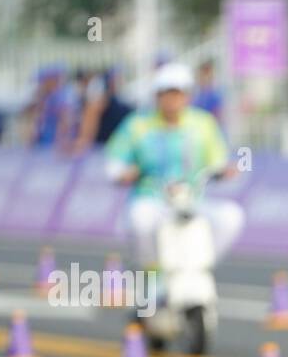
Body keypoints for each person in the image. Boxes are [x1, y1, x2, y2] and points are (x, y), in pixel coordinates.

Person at [104, 63, 244, 268]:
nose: (172, 100)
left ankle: (198, 267)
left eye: (177, 94)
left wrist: (225, 170)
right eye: (166, 94)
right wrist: (122, 173)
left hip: (191, 202)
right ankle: (152, 272)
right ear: (157, 96)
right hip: (152, 201)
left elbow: (218, 161)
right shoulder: (137, 125)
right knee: (139, 220)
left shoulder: (203, 124)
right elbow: (113, 163)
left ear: (187, 96)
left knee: (231, 216)